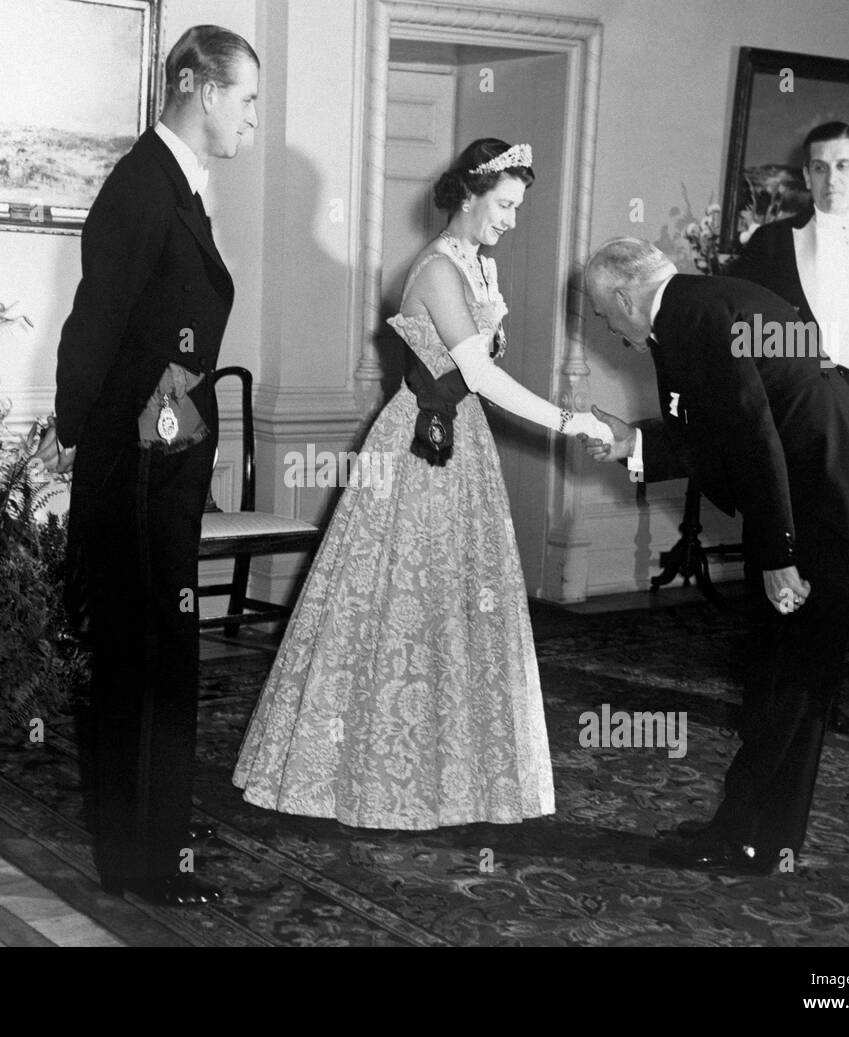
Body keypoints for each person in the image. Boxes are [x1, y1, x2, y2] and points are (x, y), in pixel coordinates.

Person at [233, 140, 611, 829]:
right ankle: (372, 773)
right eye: (504, 205)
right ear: (469, 195)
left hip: (461, 445)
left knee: (455, 602)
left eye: (520, 208)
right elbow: (483, 378)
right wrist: (568, 418)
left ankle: (450, 771)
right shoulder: (438, 268)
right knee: (396, 604)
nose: (512, 221)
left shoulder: (477, 264)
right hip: (420, 442)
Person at [580, 238, 849, 875]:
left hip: (817, 511)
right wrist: (632, 442)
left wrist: (780, 556)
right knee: (798, 682)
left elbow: (753, 437)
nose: (609, 328)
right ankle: (766, 838)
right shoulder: (713, 302)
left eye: (605, 315)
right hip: (827, 496)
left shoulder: (692, 320)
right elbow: (724, 428)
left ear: (621, 295)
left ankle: (744, 837)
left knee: (784, 679)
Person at [40, 24, 259, 906]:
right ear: (200, 89)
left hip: (156, 454)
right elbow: (92, 328)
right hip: (131, 460)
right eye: (245, 98)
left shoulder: (181, 187)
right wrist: (80, 439)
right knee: (140, 653)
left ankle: (156, 830)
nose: (251, 118)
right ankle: (140, 859)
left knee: (163, 648)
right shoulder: (141, 189)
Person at [729, 121, 849, 738]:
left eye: (842, 166)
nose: (830, 178)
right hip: (807, 410)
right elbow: (741, 332)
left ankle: (824, 699)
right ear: (805, 175)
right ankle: (769, 695)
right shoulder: (773, 242)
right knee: (797, 549)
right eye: (818, 167)